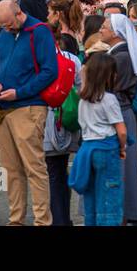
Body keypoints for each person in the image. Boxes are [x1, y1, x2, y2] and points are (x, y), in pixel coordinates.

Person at [0, 0, 58, 226]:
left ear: (19, 14)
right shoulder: (6, 34)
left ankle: (41, 221)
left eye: (8, 24)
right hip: (4, 108)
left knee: (34, 167)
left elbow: (49, 71)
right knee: (11, 169)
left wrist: (19, 93)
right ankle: (15, 220)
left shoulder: (40, 31)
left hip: (28, 107)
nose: (6, 29)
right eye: (2, 26)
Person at [100, 12, 137, 223]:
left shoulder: (120, 58)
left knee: (120, 170)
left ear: (115, 32)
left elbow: (108, 89)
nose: (101, 29)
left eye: (105, 26)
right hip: (119, 114)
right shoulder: (120, 54)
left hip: (118, 115)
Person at [71, 52, 127, 226]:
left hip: (87, 149)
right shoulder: (109, 99)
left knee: (92, 197)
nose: (116, 75)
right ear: (107, 75)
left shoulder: (83, 100)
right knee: (110, 195)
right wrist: (122, 148)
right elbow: (122, 131)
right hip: (107, 149)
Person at [44, 32, 83, 226]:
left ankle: (58, 219)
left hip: (47, 121)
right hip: (68, 119)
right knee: (59, 170)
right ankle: (63, 218)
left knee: (53, 172)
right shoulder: (74, 60)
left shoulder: (40, 59)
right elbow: (81, 88)